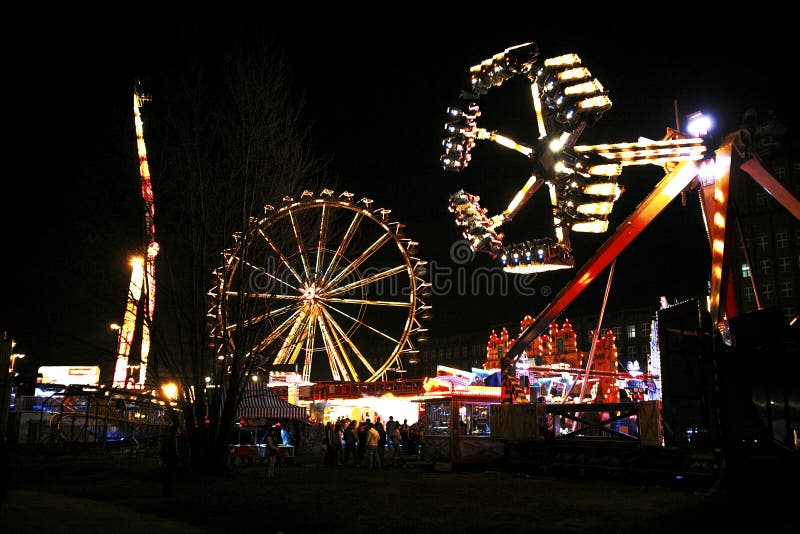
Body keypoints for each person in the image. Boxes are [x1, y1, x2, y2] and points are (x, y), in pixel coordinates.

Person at [159, 426, 179, 497]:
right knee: (169, 477)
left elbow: (162, 451)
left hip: (168, 460)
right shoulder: (173, 441)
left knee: (167, 477)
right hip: (170, 460)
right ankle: (167, 492)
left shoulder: (170, 440)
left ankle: (166, 491)